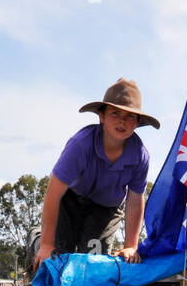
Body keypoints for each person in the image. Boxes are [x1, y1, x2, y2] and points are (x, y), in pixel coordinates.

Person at [32, 78, 160, 271]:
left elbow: (135, 199)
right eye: (115, 113)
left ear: (137, 123)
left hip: (105, 210)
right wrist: (46, 245)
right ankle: (37, 239)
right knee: (55, 257)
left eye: (130, 116)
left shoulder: (140, 155)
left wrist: (131, 246)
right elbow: (54, 192)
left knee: (92, 261)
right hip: (70, 201)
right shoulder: (81, 144)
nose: (122, 121)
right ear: (101, 116)